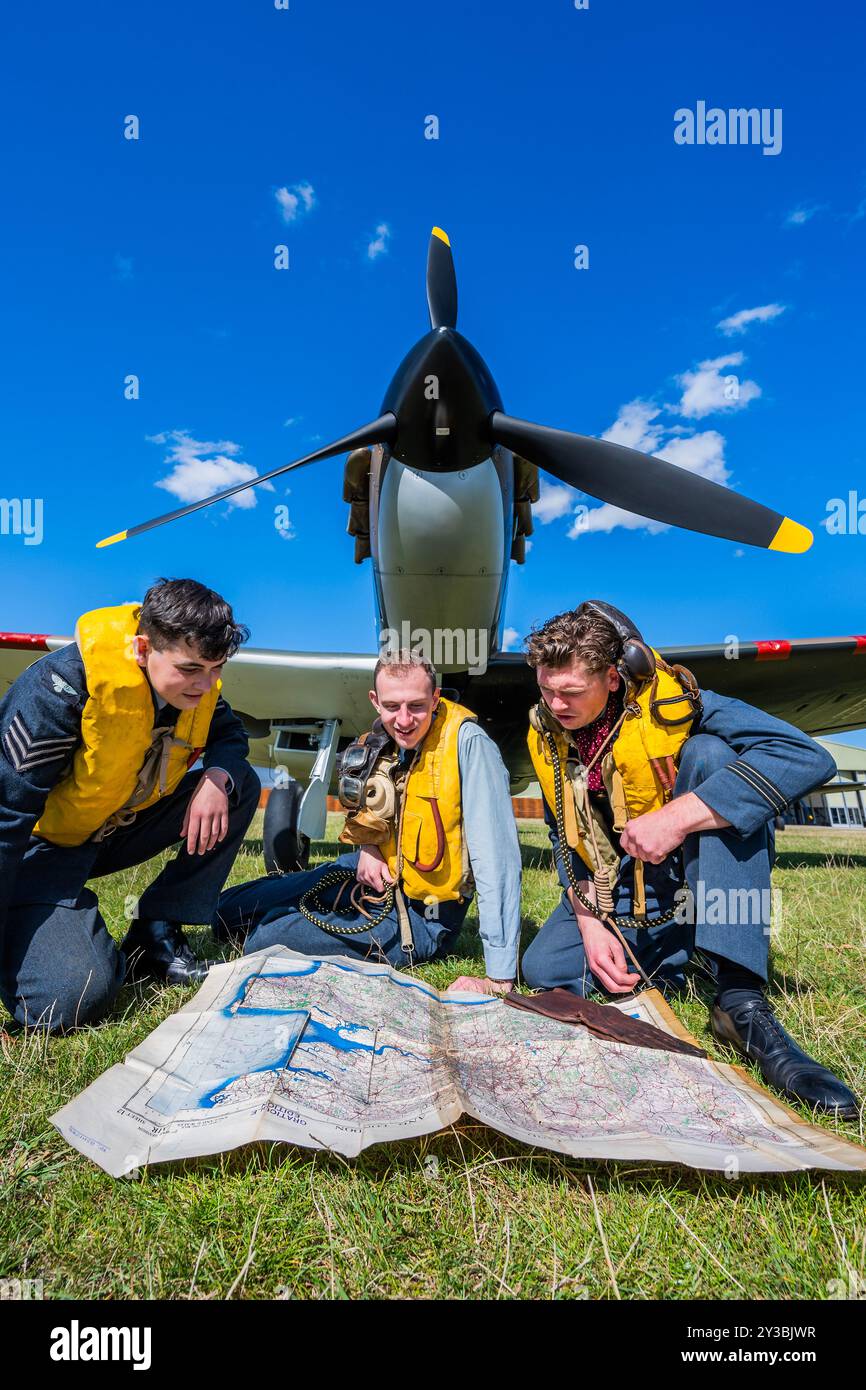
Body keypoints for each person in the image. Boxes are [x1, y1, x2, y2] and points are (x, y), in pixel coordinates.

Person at [520, 600, 858, 1120]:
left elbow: (808, 757)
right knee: (546, 968)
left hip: (693, 876)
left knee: (711, 756)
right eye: (546, 689)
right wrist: (588, 917)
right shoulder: (545, 732)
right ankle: (673, 961)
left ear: (614, 678)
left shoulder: (683, 701)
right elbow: (561, 832)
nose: (555, 704)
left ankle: (739, 1002)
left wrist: (676, 818)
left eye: (569, 692)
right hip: (623, 888)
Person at [0, 578, 260, 1032]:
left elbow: (230, 735)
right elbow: (7, 818)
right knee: (69, 1000)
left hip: (110, 833)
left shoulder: (197, 689)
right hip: (37, 851)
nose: (206, 684)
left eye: (217, 669)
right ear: (142, 648)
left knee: (240, 785)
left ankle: (156, 930)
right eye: (191, 668)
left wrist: (218, 778)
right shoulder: (55, 691)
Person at [215, 650, 522, 993]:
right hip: (374, 876)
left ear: (436, 698)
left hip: (423, 917)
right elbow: (376, 802)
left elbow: (499, 861)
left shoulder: (469, 744)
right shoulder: (382, 740)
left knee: (264, 938)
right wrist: (369, 844)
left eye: (416, 706)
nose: (404, 720)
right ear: (375, 702)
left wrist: (500, 976)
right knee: (231, 907)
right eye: (392, 706)